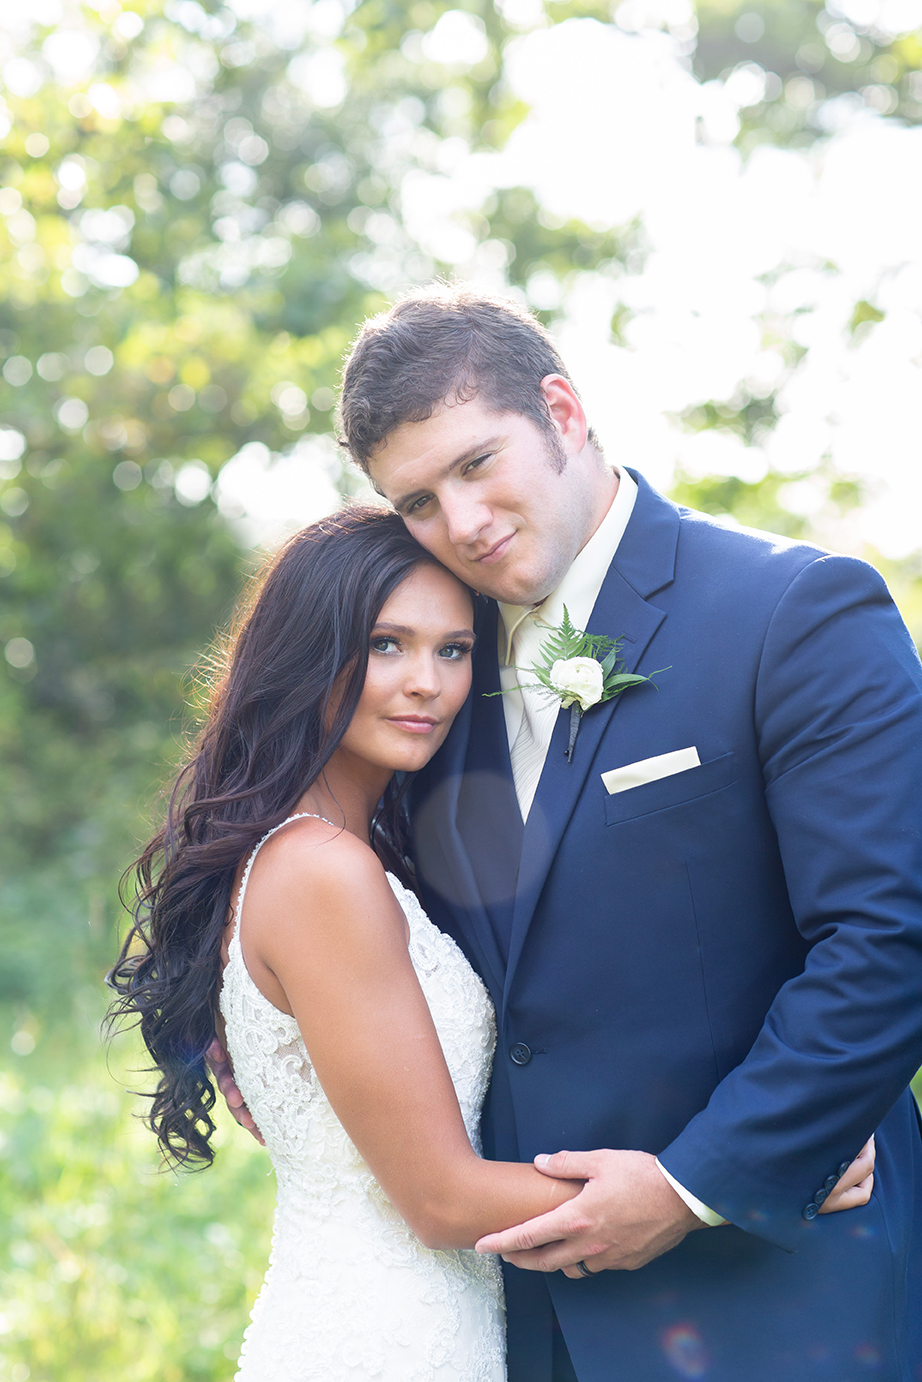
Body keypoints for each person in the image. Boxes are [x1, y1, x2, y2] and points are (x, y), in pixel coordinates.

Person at [328, 287, 922, 1382]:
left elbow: (888, 941)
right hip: (517, 1316)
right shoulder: (425, 671)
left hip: (772, 1300)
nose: (459, 522)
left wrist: (705, 1178)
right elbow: (314, 858)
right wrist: (253, 1034)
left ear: (561, 409)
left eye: (475, 464)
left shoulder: (793, 613)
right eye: (415, 500)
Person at [109, 506, 612, 1381]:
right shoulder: (321, 872)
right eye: (388, 644)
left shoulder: (349, 853)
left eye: (453, 650)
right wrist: (714, 1186)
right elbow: (442, 1198)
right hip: (379, 1345)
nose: (428, 682)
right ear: (308, 655)